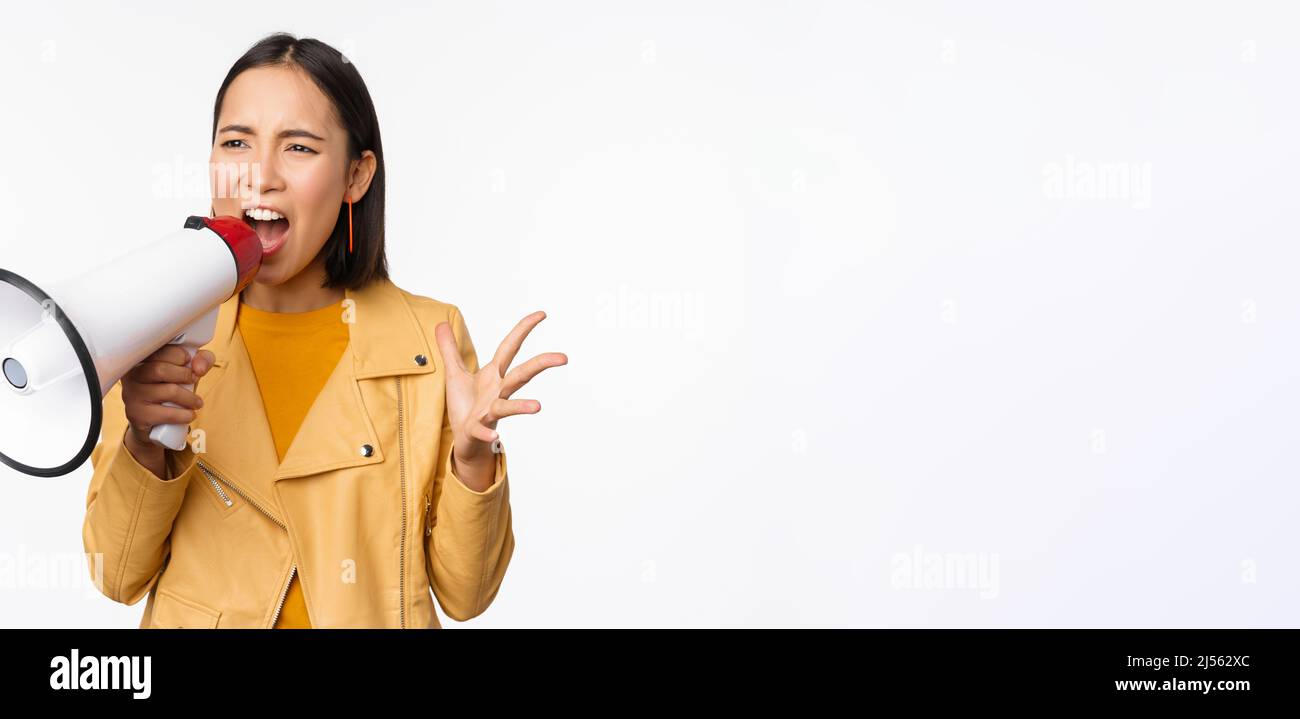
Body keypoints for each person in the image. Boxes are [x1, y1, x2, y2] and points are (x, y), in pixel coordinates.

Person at [82, 32, 566, 628]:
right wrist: (146, 441)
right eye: (236, 142)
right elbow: (116, 575)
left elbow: (467, 595)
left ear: (356, 176)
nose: (259, 177)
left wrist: (474, 458)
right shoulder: (154, 328)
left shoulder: (431, 338)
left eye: (299, 148)